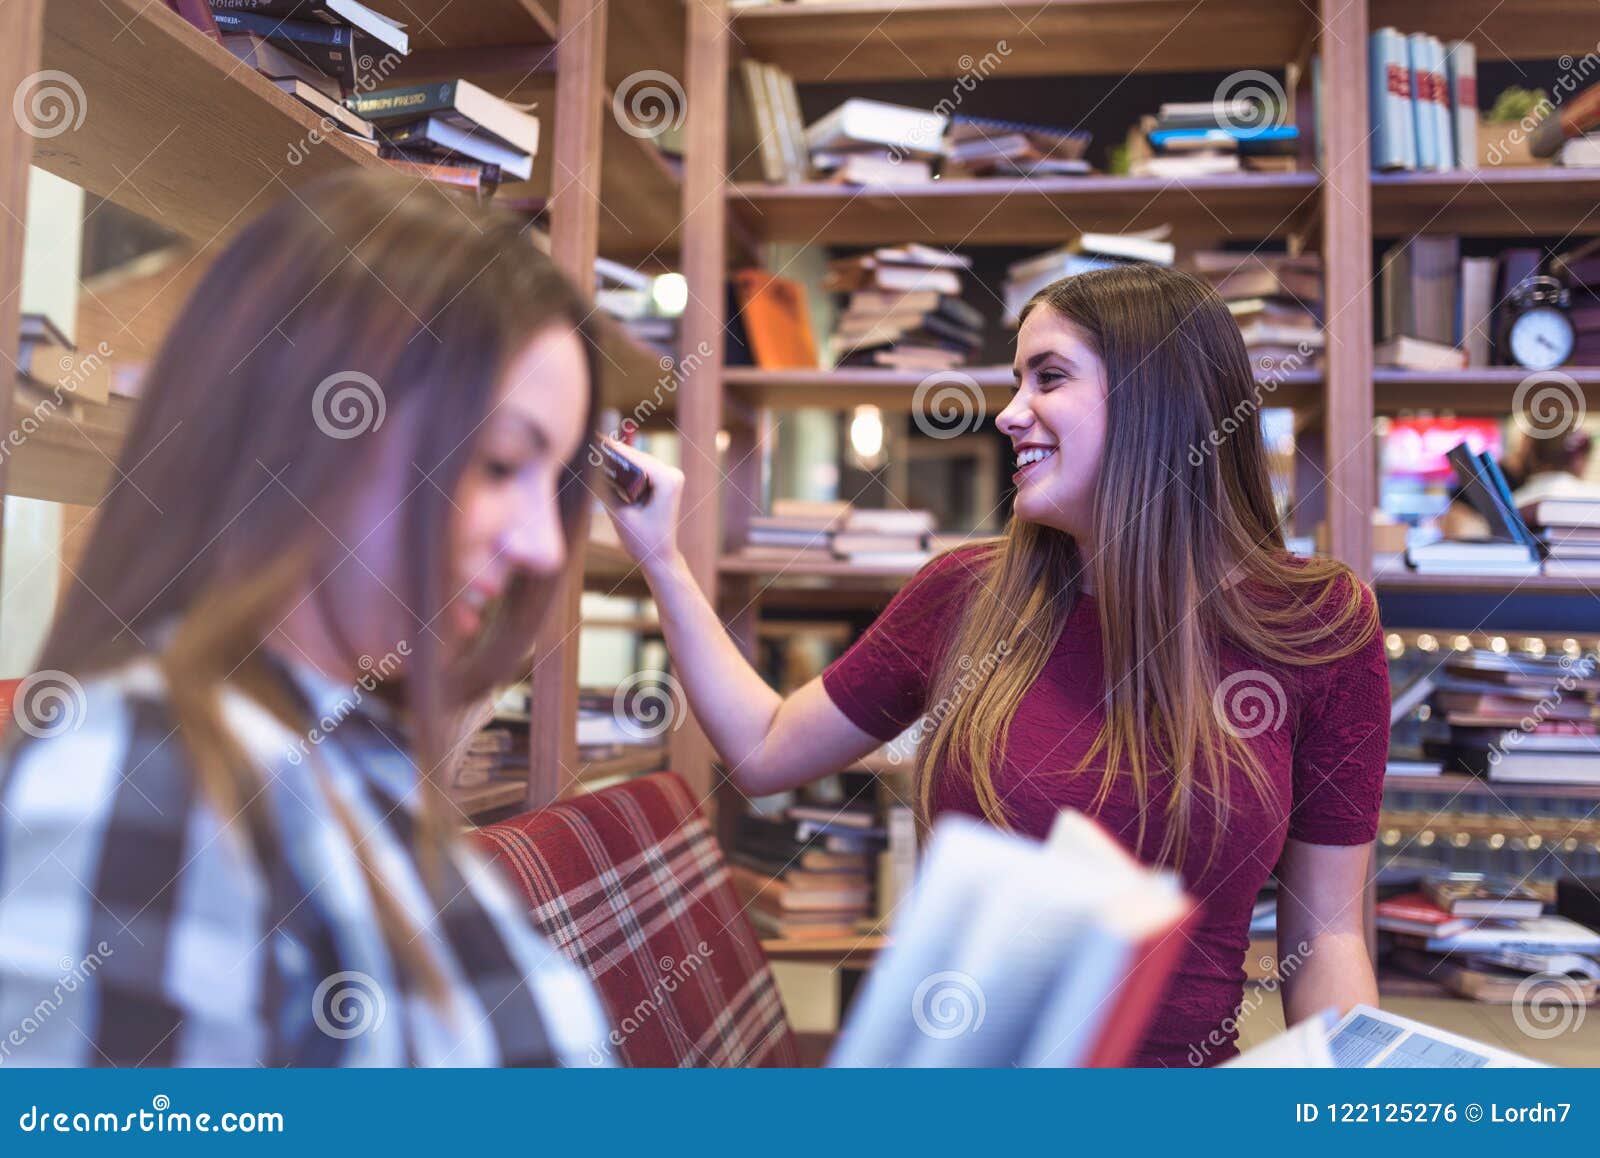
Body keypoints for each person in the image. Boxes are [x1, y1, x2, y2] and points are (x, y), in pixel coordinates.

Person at [601, 263, 1390, 1067]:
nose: (1009, 415)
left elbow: (1326, 938)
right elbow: (765, 748)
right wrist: (660, 556)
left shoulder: (1320, 626)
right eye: (1015, 383)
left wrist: (1355, 1115)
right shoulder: (966, 594)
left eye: (1048, 378)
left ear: (1161, 399)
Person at [0, 172, 610, 1066]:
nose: (544, 547)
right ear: (318, 426)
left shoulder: (339, 747)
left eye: (550, 485)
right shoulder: (148, 772)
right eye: (498, 463)